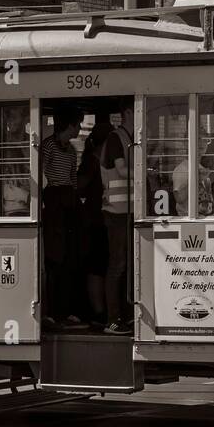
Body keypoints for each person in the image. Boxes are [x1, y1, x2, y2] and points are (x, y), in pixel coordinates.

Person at [40, 107, 83, 328]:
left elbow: (72, 178)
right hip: (54, 200)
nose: (80, 128)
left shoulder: (72, 151)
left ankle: (65, 309)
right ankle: (54, 310)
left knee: (68, 255)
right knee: (55, 255)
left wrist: (74, 201)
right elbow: (41, 172)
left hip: (66, 201)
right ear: (70, 125)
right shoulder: (48, 146)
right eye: (78, 124)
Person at [100, 103, 135, 335]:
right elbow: (122, 171)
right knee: (118, 265)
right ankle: (112, 321)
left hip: (128, 212)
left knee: (128, 264)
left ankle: (126, 315)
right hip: (115, 212)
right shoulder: (116, 139)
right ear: (129, 113)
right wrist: (148, 172)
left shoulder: (129, 138)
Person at [78, 119, 110, 328]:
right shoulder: (94, 160)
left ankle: (100, 312)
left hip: (100, 217)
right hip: (96, 219)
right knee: (97, 267)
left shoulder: (94, 158)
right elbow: (80, 185)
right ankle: (99, 313)